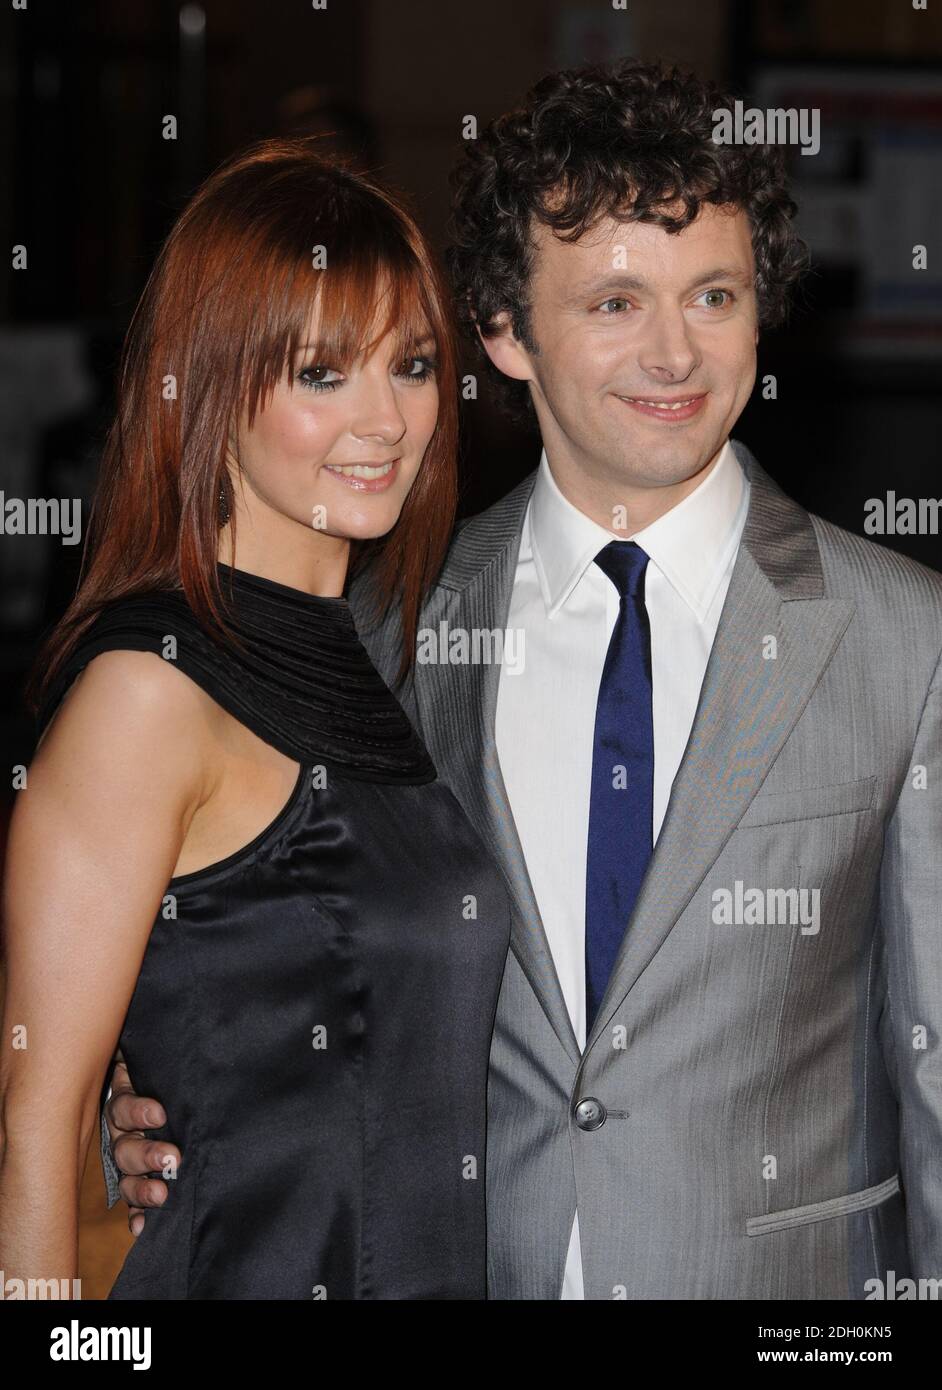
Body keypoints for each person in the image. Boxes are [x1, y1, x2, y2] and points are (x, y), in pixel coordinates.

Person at [92, 59, 942, 1299]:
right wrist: (144, 1121)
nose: (674, 352)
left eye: (715, 294)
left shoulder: (902, 641)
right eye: (612, 303)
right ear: (503, 330)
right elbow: (285, 974)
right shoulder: (386, 630)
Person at [0, 139, 510, 1300]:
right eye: (324, 373)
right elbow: (34, 1120)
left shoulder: (386, 663)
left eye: (414, 365)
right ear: (213, 382)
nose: (385, 419)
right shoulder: (149, 692)